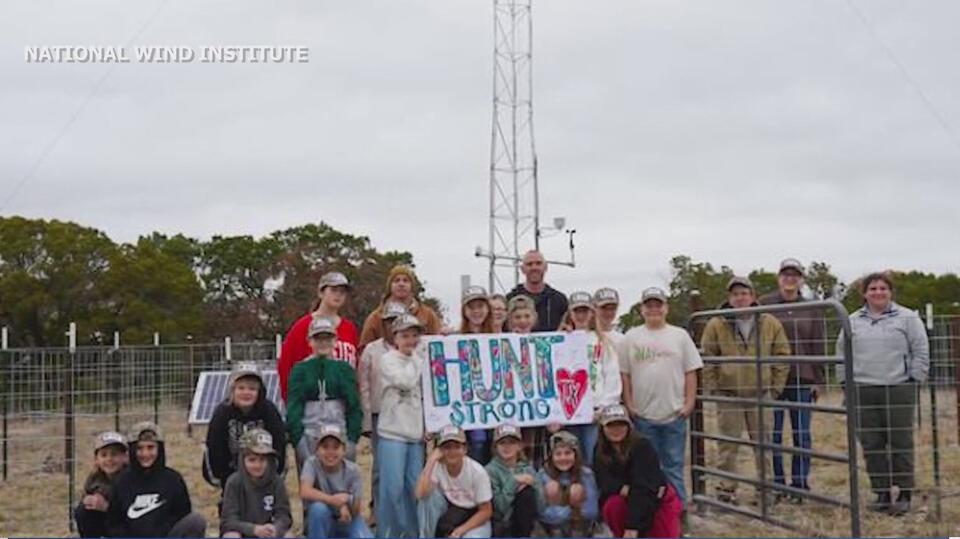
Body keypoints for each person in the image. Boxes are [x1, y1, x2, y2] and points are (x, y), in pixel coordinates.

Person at [837, 272, 929, 516]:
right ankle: (882, 492)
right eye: (873, 288)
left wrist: (913, 379)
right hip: (863, 390)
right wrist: (846, 383)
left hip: (898, 387)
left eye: (883, 288)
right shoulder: (853, 320)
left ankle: (905, 493)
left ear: (890, 292)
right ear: (864, 293)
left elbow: (920, 349)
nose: (878, 292)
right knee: (871, 443)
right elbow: (841, 353)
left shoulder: (908, 318)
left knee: (900, 442)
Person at [700, 276, 790, 505]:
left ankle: (765, 491)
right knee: (728, 446)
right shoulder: (716, 324)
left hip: (761, 393)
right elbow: (708, 358)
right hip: (729, 395)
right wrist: (713, 389)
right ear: (729, 298)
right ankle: (726, 491)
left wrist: (775, 387)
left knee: (764, 445)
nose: (740, 298)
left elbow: (782, 355)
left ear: (752, 296)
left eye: (744, 293)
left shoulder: (769, 322)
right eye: (735, 294)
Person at [620, 287, 702, 511]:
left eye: (658, 305)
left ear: (666, 308)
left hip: (674, 412)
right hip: (644, 414)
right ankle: (652, 510)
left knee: (674, 465)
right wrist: (629, 403)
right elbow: (625, 374)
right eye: (649, 306)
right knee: (648, 466)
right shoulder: (631, 337)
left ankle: (678, 510)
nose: (654, 309)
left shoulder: (680, 336)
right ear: (641, 309)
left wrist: (689, 402)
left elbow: (691, 371)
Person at [758, 258, 826, 500]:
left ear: (801, 279)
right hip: (772, 378)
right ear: (778, 278)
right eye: (785, 274)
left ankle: (799, 485)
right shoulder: (764, 304)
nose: (790, 278)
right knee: (772, 434)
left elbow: (817, 343)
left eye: (794, 274)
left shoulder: (812, 307)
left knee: (801, 433)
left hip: (802, 377)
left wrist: (819, 379)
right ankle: (777, 484)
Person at [594, 404, 682, 538]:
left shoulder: (642, 447)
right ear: (602, 428)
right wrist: (624, 489)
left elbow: (645, 487)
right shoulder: (599, 450)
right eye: (610, 425)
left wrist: (632, 527)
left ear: (628, 426)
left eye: (621, 425)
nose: (616, 430)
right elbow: (605, 483)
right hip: (627, 499)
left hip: (656, 500)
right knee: (612, 506)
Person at [376, 313, 428, 538]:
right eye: (405, 335)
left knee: (414, 489)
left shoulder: (421, 359)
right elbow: (404, 381)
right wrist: (416, 358)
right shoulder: (388, 359)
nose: (410, 341)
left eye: (414, 336)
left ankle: (413, 533)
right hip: (392, 433)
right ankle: (389, 533)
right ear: (395, 337)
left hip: (415, 435)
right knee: (392, 489)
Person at [106, 422, 207, 538]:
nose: (145, 453)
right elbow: (114, 524)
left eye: (150, 447)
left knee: (196, 521)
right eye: (139, 448)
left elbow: (182, 516)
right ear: (132, 450)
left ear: (160, 448)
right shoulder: (121, 482)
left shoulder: (174, 480)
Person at [287, 316, 362, 470]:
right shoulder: (300, 370)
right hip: (309, 431)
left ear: (335, 341)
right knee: (311, 478)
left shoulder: (344, 369)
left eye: (328, 339)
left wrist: (352, 439)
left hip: (338, 430)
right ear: (310, 341)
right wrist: (298, 440)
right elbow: (294, 406)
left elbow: (353, 405)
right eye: (318, 339)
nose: (323, 343)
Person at [558, 290, 622, 465]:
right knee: (569, 461)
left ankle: (594, 493)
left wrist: (604, 407)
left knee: (593, 460)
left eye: (585, 311)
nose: (581, 315)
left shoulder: (602, 342)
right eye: (577, 311)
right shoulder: (559, 340)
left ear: (591, 313)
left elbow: (611, 376)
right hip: (568, 412)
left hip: (594, 411)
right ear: (570, 313)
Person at [358, 300, 407, 522]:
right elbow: (364, 386)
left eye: (398, 321)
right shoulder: (371, 350)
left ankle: (405, 513)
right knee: (380, 468)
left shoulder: (414, 347)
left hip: (408, 416)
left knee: (408, 468)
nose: (393, 326)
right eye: (389, 322)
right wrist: (367, 422)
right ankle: (379, 514)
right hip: (381, 415)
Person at [206, 362, 286, 494]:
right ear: (232, 390)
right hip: (231, 475)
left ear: (260, 391)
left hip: (264, 475)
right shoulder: (222, 413)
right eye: (241, 388)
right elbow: (215, 449)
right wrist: (226, 480)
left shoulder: (269, 411)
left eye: (252, 389)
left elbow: (279, 445)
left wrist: (273, 475)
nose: (246, 393)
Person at [278, 271, 360, 401]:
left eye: (342, 291)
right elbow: (285, 365)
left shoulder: (349, 328)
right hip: (312, 403)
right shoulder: (303, 326)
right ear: (321, 293)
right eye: (333, 290)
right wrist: (291, 402)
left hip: (343, 403)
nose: (338, 295)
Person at [415, 425, 493, 538]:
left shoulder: (477, 472)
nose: (452, 451)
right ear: (440, 450)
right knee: (428, 498)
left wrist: (460, 531)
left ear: (465, 449)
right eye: (447, 447)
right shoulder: (437, 465)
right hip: (450, 513)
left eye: (457, 447)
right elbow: (419, 494)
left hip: (474, 516)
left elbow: (486, 511)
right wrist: (431, 460)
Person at [300, 424, 373, 538]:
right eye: (325, 447)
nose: (330, 452)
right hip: (322, 519)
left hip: (348, 520)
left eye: (335, 447)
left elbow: (357, 508)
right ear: (317, 450)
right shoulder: (311, 463)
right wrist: (335, 501)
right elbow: (305, 491)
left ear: (344, 450)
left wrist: (348, 500)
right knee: (318, 509)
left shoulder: (353, 470)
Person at [220, 429, 292, 538]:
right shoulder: (234, 482)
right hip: (243, 533)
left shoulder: (277, 482)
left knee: (288, 536)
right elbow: (228, 521)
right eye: (252, 460)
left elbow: (284, 515)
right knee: (231, 536)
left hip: (269, 533)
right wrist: (253, 529)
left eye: (262, 460)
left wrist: (276, 528)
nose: (257, 465)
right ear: (242, 459)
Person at [359, 265, 442, 349]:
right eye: (396, 281)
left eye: (405, 281)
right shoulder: (376, 317)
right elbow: (364, 350)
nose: (401, 284)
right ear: (390, 286)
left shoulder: (428, 315)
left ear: (411, 286)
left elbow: (437, 343)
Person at [536, 430, 599, 537]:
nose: (563, 458)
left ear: (576, 455)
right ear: (551, 457)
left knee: (576, 489)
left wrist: (575, 513)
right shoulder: (543, 475)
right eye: (558, 454)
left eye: (568, 453)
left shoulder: (586, 474)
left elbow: (592, 510)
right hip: (551, 524)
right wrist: (568, 512)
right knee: (552, 487)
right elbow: (540, 510)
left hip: (580, 523)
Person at [459, 285, 496, 463]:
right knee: (477, 445)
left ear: (487, 309)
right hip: (470, 406)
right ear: (464, 311)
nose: (476, 312)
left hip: (496, 405)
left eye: (480, 306)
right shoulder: (454, 339)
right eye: (471, 307)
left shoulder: (499, 338)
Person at [485, 424, 543, 537]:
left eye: (512, 442)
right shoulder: (489, 471)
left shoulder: (527, 469)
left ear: (520, 446)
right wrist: (513, 482)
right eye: (502, 443)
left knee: (527, 492)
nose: (507, 447)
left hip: (527, 523)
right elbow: (499, 509)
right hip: (502, 525)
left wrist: (534, 485)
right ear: (495, 446)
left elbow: (541, 507)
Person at [75, 431, 129, 538]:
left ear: (125, 457)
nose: (109, 459)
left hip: (127, 525)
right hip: (105, 523)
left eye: (114, 454)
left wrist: (108, 507)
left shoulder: (131, 478)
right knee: (82, 510)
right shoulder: (94, 479)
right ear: (96, 460)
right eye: (104, 455)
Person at [506, 250, 568, 333]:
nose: (534, 267)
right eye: (529, 264)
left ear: (546, 267)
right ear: (522, 269)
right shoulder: (510, 299)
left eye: (538, 263)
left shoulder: (559, 300)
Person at [593, 287, 625, 352]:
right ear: (594, 308)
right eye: (604, 308)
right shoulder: (584, 338)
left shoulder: (623, 340)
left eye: (613, 308)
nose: (609, 312)